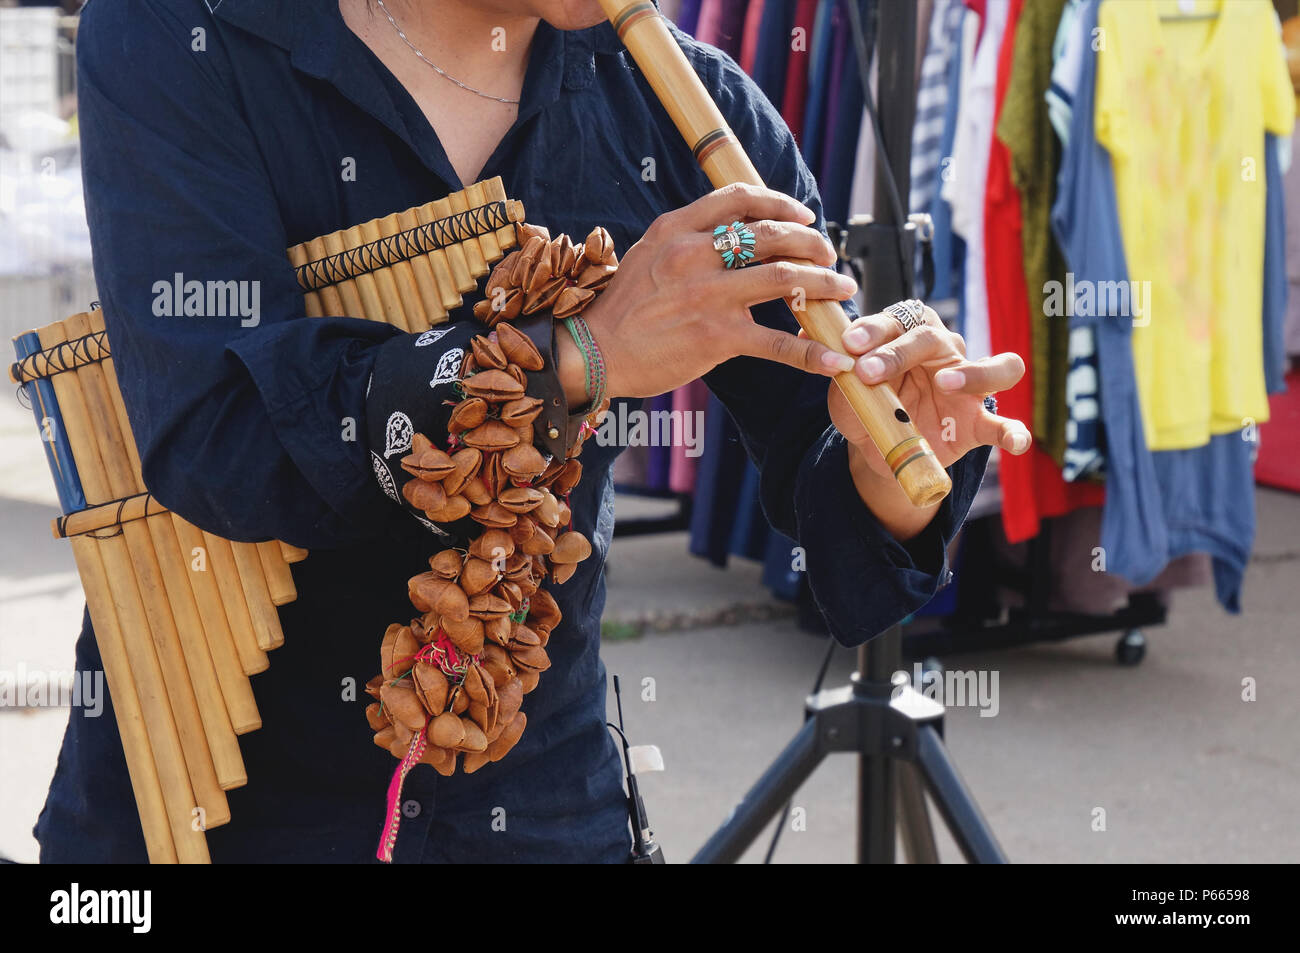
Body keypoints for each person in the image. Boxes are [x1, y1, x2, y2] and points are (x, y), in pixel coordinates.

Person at [36, 0, 1029, 863]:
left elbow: (822, 489)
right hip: (216, 799)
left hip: (540, 797)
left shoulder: (684, 116)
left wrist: (888, 465)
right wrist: (577, 353)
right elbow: (218, 440)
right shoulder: (180, 32)